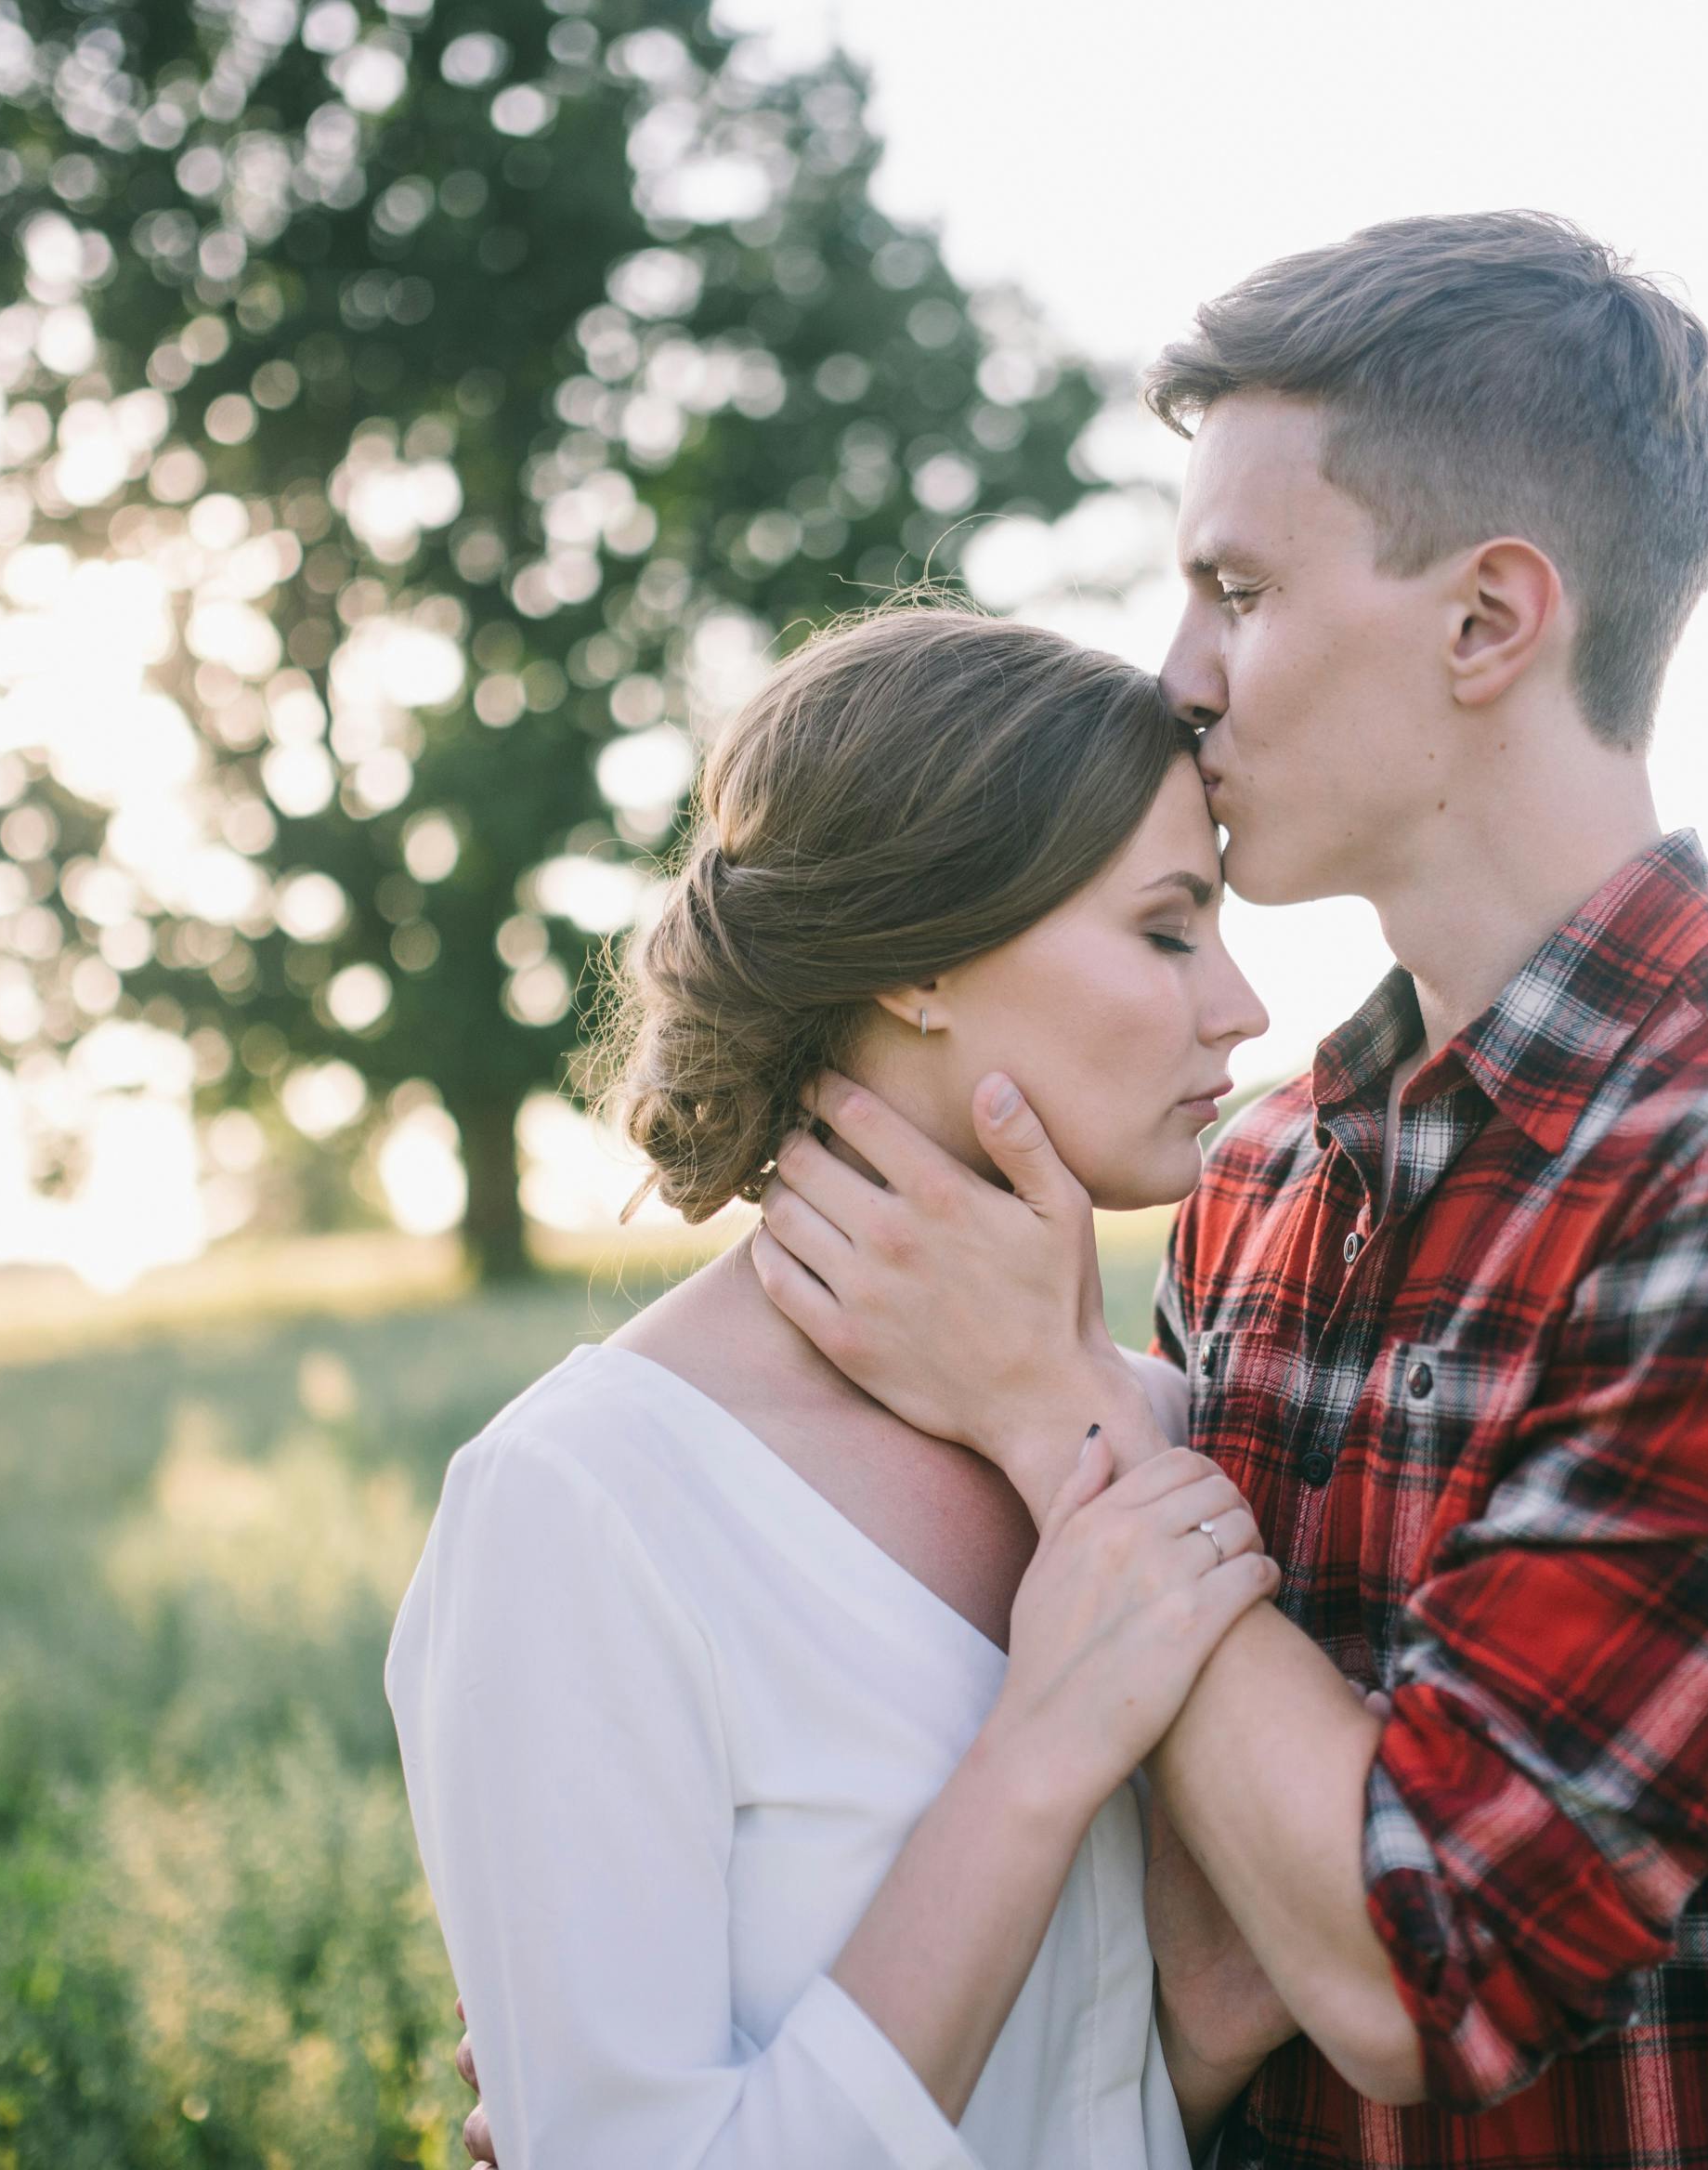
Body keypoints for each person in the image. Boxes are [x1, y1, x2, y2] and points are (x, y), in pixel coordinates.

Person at [741, 213, 1708, 2168]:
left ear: (1485, 622)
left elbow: (1416, 1964)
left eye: (1234, 588)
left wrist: (1054, 1404)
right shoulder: (1268, 1173)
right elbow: (1177, 1914)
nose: (1175, 677)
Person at [385, 603, 1293, 2170]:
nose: (1242, 1007)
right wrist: (1038, 1755)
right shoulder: (588, 1506)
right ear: (925, 954)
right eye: (1166, 928)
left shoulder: (1160, 1431)